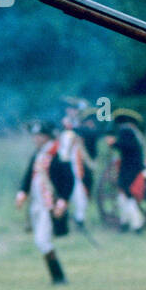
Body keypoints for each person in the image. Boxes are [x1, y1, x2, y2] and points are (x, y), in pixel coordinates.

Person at [14, 120, 74, 285]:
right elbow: (29, 176)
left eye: (39, 135)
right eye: (35, 135)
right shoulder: (38, 154)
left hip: (50, 204)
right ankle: (57, 277)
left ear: (47, 137)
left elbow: (68, 180)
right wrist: (22, 193)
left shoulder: (59, 153)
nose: (36, 139)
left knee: (42, 240)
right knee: (41, 241)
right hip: (37, 205)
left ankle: (59, 278)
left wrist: (62, 201)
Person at [106, 108, 146, 233]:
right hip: (132, 165)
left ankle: (137, 224)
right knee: (123, 194)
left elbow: (126, 146)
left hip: (130, 166)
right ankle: (125, 222)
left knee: (127, 194)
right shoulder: (134, 131)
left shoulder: (125, 130)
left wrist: (113, 143)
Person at [58, 97, 94, 232]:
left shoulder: (80, 125)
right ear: (68, 110)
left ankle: (80, 219)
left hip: (77, 163)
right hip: (65, 163)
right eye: (72, 109)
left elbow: (87, 137)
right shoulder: (63, 124)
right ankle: (64, 220)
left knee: (80, 193)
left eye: (75, 110)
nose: (73, 112)